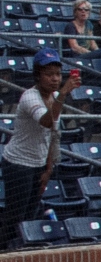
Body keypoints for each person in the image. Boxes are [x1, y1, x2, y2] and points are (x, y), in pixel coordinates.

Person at [0, 49, 74, 246]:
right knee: (15, 216)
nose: (55, 79)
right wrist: (64, 94)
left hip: (38, 164)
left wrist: (48, 169)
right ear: (38, 75)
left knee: (30, 216)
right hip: (18, 164)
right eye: (49, 74)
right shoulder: (29, 96)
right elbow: (47, 122)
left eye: (58, 74)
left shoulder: (56, 96)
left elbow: (52, 135)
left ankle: (22, 253)